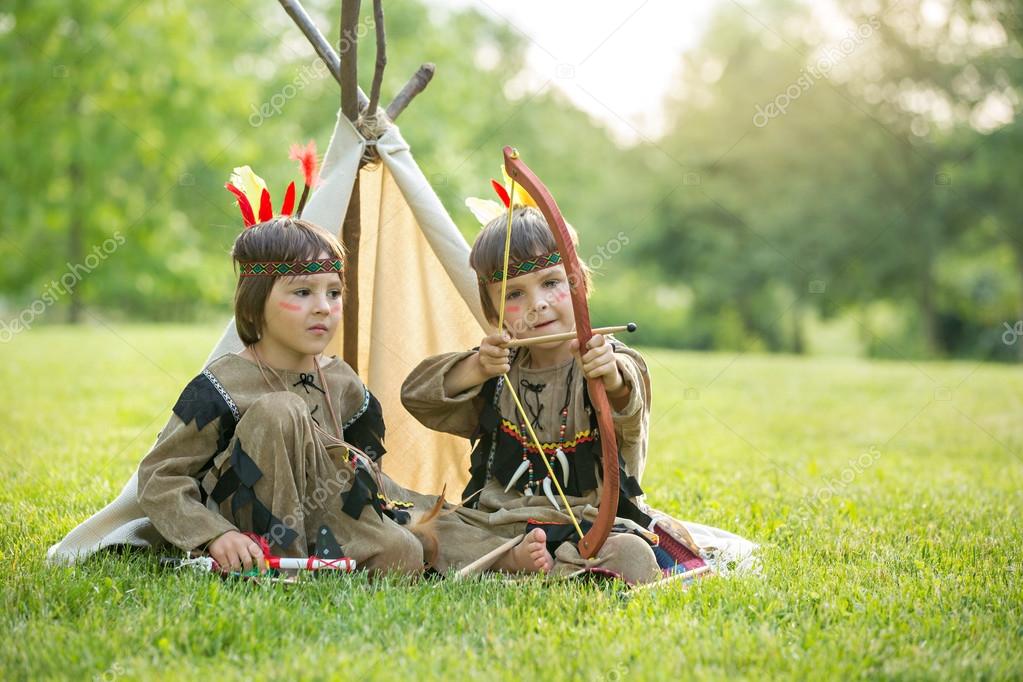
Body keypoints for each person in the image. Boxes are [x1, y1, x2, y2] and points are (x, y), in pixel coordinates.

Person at [137, 165, 551, 577]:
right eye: (302, 292)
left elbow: (364, 479)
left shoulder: (344, 384)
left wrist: (397, 515)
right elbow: (161, 478)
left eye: (334, 293)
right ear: (253, 302)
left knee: (409, 542)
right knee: (280, 411)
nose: (324, 307)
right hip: (248, 536)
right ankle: (284, 566)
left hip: (328, 521)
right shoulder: (221, 385)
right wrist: (215, 535)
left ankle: (500, 560)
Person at [402, 204, 757, 583]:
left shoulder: (608, 358)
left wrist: (609, 377)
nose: (537, 303)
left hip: (593, 526)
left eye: (552, 283)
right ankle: (518, 561)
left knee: (632, 552)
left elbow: (628, 400)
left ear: (580, 284)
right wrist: (477, 367)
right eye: (514, 294)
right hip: (499, 522)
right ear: (493, 312)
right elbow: (416, 396)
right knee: (423, 526)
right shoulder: (496, 368)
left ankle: (551, 562)